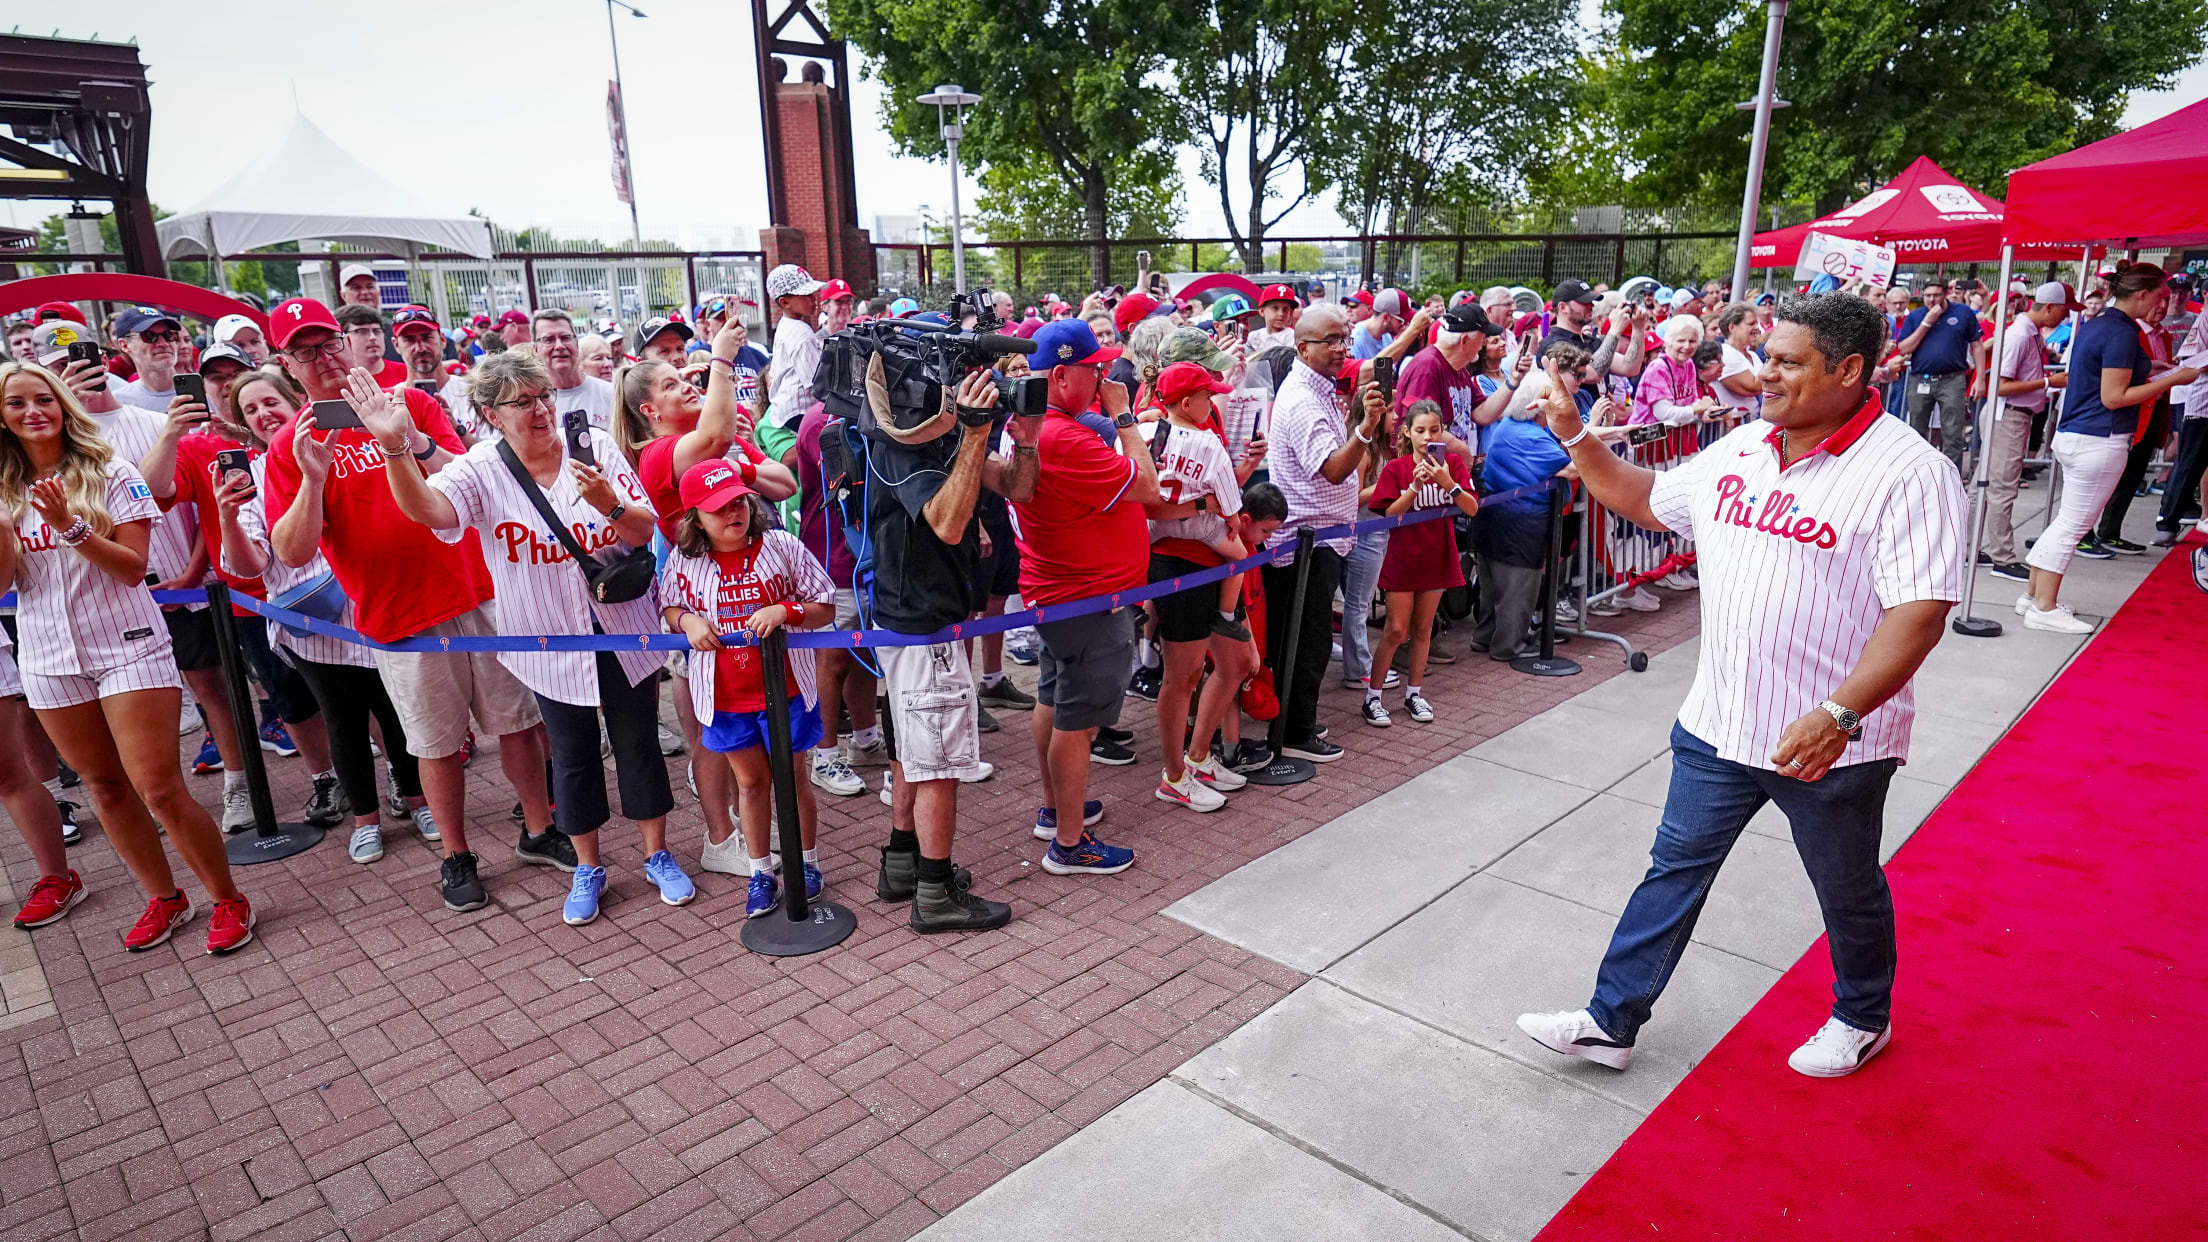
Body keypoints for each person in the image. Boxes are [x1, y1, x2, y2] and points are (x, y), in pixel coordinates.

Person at [1518, 291, 1968, 1080]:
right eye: (1766, 356)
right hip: (1718, 722)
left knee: (1845, 887)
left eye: (1788, 362)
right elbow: (1645, 500)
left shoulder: (1912, 472)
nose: (1764, 374)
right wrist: (1574, 433)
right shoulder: (1744, 446)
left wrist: (1839, 714)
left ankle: (1863, 1017)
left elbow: (1920, 612)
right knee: (1673, 870)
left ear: (1849, 370)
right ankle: (1610, 1022)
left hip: (1828, 743)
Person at [262, 297, 568, 913]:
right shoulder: (289, 447)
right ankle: (456, 855)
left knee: (517, 722)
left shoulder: (412, 401)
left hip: (479, 589)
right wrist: (313, 479)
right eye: (305, 351)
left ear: (349, 343)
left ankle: (538, 828)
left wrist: (410, 438)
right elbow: (291, 551)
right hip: (399, 614)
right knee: (434, 743)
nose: (323, 359)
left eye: (329, 343)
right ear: (286, 364)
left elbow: (477, 477)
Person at [360, 349, 683, 925]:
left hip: (621, 626)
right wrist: (394, 447)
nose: (540, 411)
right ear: (492, 413)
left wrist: (609, 504)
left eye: (544, 397)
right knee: (573, 755)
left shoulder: (592, 446)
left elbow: (643, 532)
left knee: (638, 743)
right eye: (523, 402)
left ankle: (656, 853)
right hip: (546, 639)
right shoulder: (482, 467)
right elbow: (429, 510)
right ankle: (588, 866)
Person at [0, 360, 257, 954]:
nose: (33, 411)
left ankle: (227, 898)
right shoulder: (4, 487)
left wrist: (67, 524)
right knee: (104, 787)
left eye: (44, 398)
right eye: (16, 403)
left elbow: (134, 568)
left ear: (63, 405)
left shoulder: (110, 470)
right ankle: (165, 898)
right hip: (47, 655)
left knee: (157, 787)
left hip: (127, 644)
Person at [37, 323, 262, 827]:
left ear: (105, 359)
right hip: (106, 595)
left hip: (182, 584)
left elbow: (199, 506)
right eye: (60, 368)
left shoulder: (152, 421)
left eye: (80, 360)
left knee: (212, 688)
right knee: (129, 705)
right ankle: (152, 795)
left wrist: (192, 573)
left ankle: (239, 784)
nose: (75, 372)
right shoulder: (51, 443)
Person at [211, 368, 429, 865]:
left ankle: (418, 802)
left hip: (376, 607)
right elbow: (251, 564)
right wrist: (227, 516)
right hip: (313, 626)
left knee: (395, 711)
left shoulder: (353, 448)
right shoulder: (253, 477)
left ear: (296, 402)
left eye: (271, 402)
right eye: (250, 410)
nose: (264, 415)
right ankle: (366, 821)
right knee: (343, 720)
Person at [613, 326, 798, 870]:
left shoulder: (704, 444)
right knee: (716, 733)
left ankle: (751, 821)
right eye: (671, 384)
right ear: (650, 411)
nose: (686, 385)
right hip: (702, 604)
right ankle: (719, 839)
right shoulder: (659, 453)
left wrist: (739, 462)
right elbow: (717, 438)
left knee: (752, 723)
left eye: (685, 377)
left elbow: (781, 481)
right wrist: (720, 360)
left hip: (750, 595)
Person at [862, 366, 1039, 931]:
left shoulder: (938, 433)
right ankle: (935, 893)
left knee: (913, 753)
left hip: (925, 621)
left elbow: (1018, 487)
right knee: (938, 762)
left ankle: (903, 864)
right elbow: (946, 522)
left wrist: (1026, 436)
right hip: (923, 627)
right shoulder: (901, 437)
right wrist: (977, 432)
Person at [139, 360, 345, 835]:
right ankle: (325, 779)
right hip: (251, 599)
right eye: (217, 377)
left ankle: (394, 774)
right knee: (290, 698)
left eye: (267, 399)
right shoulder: (200, 445)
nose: (228, 382)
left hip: (329, 586)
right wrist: (172, 432)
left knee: (355, 689)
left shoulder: (310, 433)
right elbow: (154, 491)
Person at [660, 459, 837, 917]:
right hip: (725, 697)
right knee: (752, 783)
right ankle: (761, 872)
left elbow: (825, 604)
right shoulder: (685, 559)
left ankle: (807, 862)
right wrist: (687, 620)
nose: (733, 512)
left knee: (793, 778)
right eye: (718, 507)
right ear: (695, 517)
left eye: (738, 501)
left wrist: (787, 611)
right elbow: (669, 605)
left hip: (788, 689)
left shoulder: (782, 545)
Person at [1012, 319, 1154, 872]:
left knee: (1055, 700)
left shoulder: (1041, 424)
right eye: (1094, 369)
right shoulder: (1061, 435)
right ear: (1061, 374)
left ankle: (1056, 812)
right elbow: (1146, 484)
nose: (1103, 378)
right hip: (1085, 595)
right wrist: (1124, 415)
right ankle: (1069, 843)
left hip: (1061, 589)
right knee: (1077, 722)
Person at [2016, 263, 2199, 632]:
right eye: (2161, 296)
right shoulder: (2121, 332)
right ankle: (2043, 607)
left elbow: (2105, 380)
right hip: (2098, 439)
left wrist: (2152, 371)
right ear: (2143, 295)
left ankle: (2034, 597)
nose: (2164, 304)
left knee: (2065, 523)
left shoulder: (2101, 324)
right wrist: (2174, 379)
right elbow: (2114, 397)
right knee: (2071, 527)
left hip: (2081, 435)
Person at [1263, 305, 1382, 764]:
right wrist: (1366, 431)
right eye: (1330, 341)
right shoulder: (1302, 400)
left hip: (1318, 538)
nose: (1341, 349)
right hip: (1306, 542)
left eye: (1344, 339)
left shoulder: (1315, 389)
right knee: (1306, 641)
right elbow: (1333, 469)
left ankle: (1298, 722)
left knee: (1306, 639)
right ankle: (1294, 731)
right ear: (1302, 348)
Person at [1140, 361, 1257, 813]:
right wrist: (1204, 506)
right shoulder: (1201, 440)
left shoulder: (1144, 432)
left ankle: (1199, 758)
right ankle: (1174, 776)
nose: (1213, 402)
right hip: (1181, 564)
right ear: (1187, 402)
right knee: (1183, 676)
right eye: (1207, 396)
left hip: (1185, 553)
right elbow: (1231, 507)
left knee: (1239, 662)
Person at [1361, 400, 1478, 726]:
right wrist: (1414, 487)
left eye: (1434, 430)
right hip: (1403, 558)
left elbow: (1472, 508)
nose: (1428, 437)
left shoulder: (1452, 464)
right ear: (1407, 433)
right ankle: (1373, 697)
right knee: (1396, 629)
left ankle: (1414, 693)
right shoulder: (1396, 469)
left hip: (1437, 555)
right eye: (1421, 430)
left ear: (1443, 432)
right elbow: (1389, 515)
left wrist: (1448, 483)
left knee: (1424, 629)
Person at [1471, 350, 1593, 661]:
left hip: (1493, 523)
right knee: (1517, 592)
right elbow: (1573, 469)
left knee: (1492, 590)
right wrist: (1586, 436)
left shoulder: (1508, 426)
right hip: (1521, 528)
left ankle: (1485, 638)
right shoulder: (1532, 437)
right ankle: (1509, 646)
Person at [1982, 283, 2077, 578]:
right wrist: (2048, 382)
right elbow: (2000, 385)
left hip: (2011, 414)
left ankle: (1972, 548)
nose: (2065, 317)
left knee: (1985, 485)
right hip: (2008, 415)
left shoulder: (2028, 332)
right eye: (2064, 310)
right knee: (2000, 487)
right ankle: (2002, 557)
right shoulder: (2021, 334)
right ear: (2049, 307)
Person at [1890, 278, 1978, 470]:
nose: (1931, 300)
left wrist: (1979, 379)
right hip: (1921, 378)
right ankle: (1916, 472)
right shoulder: (1915, 316)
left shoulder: (1962, 312)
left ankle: (1951, 475)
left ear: (1946, 293)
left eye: (1936, 295)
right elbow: (1903, 348)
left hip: (1952, 379)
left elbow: (1977, 344)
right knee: (1916, 430)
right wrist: (1926, 323)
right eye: (1928, 295)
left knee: (1953, 432)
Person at [763, 264, 826, 466]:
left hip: (783, 410)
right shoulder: (801, 332)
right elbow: (818, 383)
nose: (814, 299)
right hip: (799, 414)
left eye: (813, 293)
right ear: (785, 302)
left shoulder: (786, 324)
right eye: (806, 295)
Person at [2155, 307, 2208, 547]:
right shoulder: (2206, 317)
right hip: (2203, 406)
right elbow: (2190, 360)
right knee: (2189, 464)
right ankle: (2167, 523)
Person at [1542, 280, 1647, 381]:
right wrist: (1615, 330)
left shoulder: (1591, 341)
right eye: (1583, 302)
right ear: (1563, 307)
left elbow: (1630, 368)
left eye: (1591, 301)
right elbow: (1591, 374)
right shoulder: (1552, 344)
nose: (1591, 305)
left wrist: (1638, 328)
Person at [530, 309, 616, 430]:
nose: (559, 346)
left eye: (565, 338)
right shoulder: (531, 405)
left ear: (576, 343)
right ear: (536, 350)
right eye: (549, 340)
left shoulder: (611, 394)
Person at [1630, 315, 1718, 426]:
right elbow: (1663, 413)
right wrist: (1696, 410)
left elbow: (1690, 402)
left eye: (1692, 341)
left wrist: (1705, 411)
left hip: (1677, 434)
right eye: (1681, 341)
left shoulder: (1689, 364)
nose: (1687, 346)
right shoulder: (1657, 368)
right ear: (1669, 341)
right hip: (1648, 434)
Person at [110, 306, 185, 413]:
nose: (163, 343)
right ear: (125, 345)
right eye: (149, 336)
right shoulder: (118, 403)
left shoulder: (206, 390)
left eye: (168, 335)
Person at [1708, 302, 1765, 417]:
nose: (1757, 328)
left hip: (1753, 421)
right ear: (1732, 327)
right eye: (1751, 324)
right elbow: (1755, 387)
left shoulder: (1753, 355)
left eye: (1757, 323)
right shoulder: (1725, 353)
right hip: (1733, 424)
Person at [334, 304, 409, 389]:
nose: (372, 337)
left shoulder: (408, 374)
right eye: (362, 331)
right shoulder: (338, 381)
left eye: (377, 331)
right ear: (344, 338)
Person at [1351, 289, 1411, 360]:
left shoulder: (1386, 336)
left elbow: (1387, 366)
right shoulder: (1355, 339)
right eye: (1401, 321)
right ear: (1385, 317)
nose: (1404, 325)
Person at [1246, 284, 1300, 354]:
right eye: (1275, 308)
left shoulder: (1293, 336)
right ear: (1262, 311)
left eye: (1285, 309)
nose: (1281, 314)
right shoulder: (1253, 336)